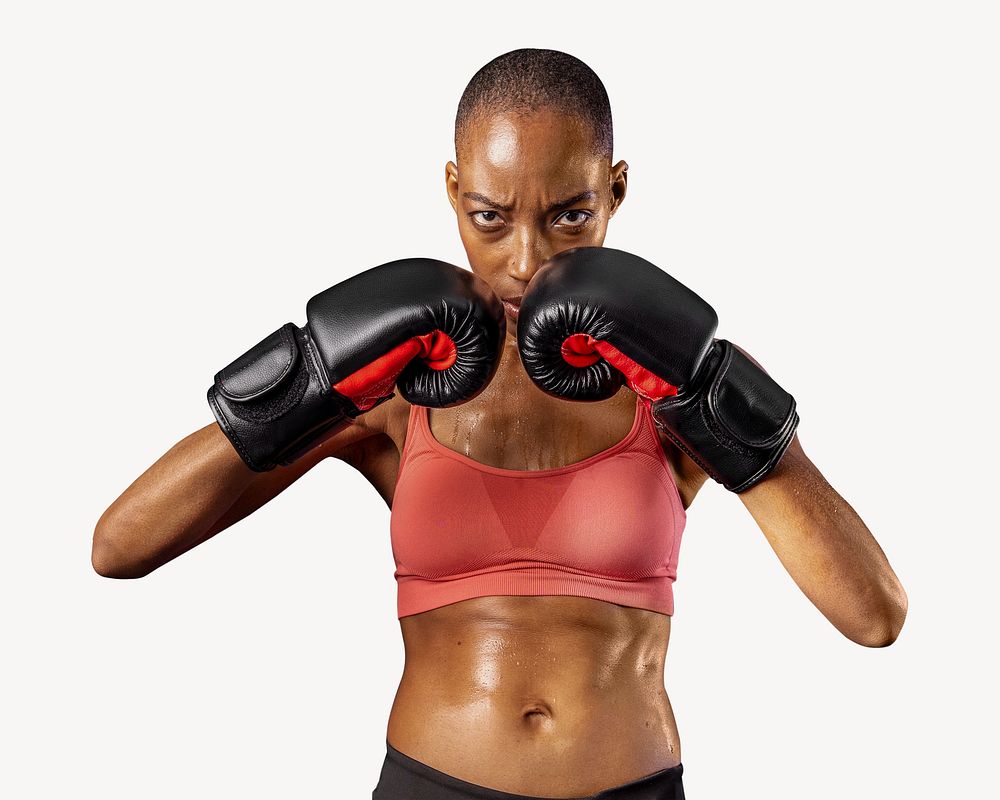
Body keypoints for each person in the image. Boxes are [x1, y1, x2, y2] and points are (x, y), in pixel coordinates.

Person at [92, 49, 908, 799]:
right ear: (452, 190)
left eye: (569, 215)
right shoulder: (400, 383)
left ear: (616, 190)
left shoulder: (671, 376)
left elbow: (875, 616)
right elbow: (119, 546)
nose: (525, 259)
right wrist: (311, 372)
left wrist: (711, 394)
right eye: (490, 217)